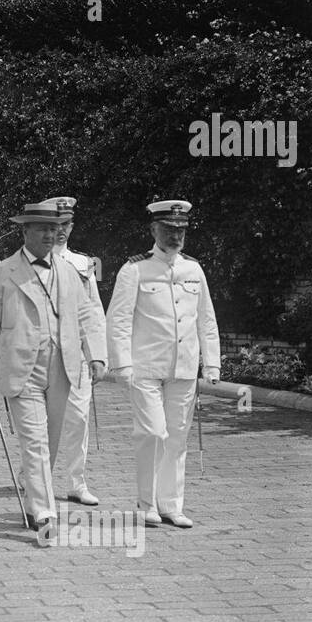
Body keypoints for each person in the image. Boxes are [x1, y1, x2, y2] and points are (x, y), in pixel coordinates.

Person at [0, 201, 105, 541]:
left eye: (54, 228)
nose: (51, 234)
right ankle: (46, 513)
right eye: (43, 229)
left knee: (50, 440)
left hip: (62, 366)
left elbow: (87, 315)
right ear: (25, 232)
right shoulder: (4, 272)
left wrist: (96, 356)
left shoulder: (68, 271)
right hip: (22, 367)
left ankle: (36, 501)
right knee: (34, 441)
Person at [106, 199, 220, 529]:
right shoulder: (135, 269)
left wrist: (211, 362)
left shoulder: (193, 269)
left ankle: (171, 504)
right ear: (154, 230)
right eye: (169, 230)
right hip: (145, 367)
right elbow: (119, 319)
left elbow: (206, 319)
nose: (175, 237)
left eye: (180, 230)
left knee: (178, 436)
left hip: (183, 367)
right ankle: (146, 503)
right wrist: (121, 364)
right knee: (152, 433)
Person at [41, 196, 107, 506]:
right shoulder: (34, 261)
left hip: (77, 353)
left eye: (67, 224)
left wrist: (98, 354)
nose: (62, 230)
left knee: (78, 418)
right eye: (56, 224)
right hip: (44, 352)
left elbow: (94, 310)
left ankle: (76, 482)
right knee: (44, 421)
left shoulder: (83, 264)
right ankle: (39, 480)